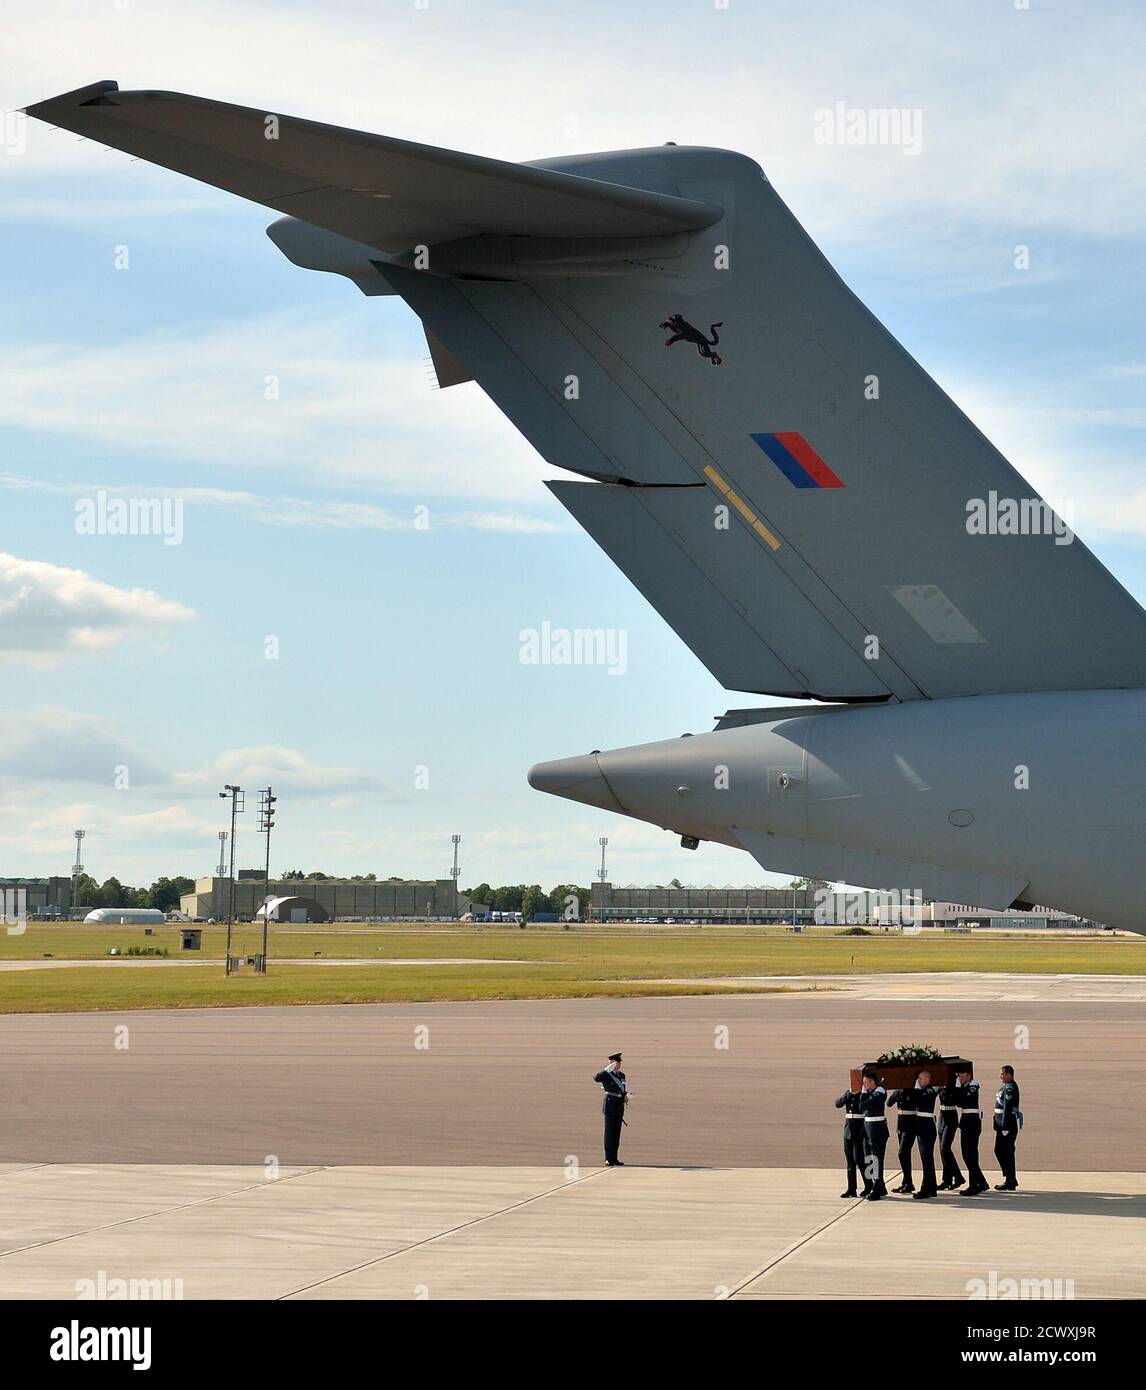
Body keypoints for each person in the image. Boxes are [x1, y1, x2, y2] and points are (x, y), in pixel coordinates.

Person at [955, 1065, 989, 1196]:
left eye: (963, 1077)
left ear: (969, 1076)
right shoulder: (964, 1087)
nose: (961, 1079)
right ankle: (981, 1181)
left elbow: (963, 1100)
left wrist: (958, 1088)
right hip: (965, 1121)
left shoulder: (974, 1086)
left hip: (972, 1122)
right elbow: (958, 1102)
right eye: (959, 1077)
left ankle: (974, 1185)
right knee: (966, 1154)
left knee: (971, 1155)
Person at [593, 1052, 629, 1166]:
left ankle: (615, 1158)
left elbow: (622, 1089)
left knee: (616, 1133)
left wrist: (627, 1095)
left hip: (619, 1106)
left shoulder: (622, 1075)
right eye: (617, 1063)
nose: (619, 1065)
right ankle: (608, 1158)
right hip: (610, 1105)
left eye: (619, 1063)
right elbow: (596, 1078)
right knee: (609, 1133)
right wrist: (606, 1069)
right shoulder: (606, 1075)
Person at [834, 1083, 870, 1198]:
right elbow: (838, 1103)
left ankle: (869, 1185)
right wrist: (850, 1093)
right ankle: (851, 1188)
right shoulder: (849, 1093)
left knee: (859, 1159)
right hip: (848, 1131)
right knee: (850, 1161)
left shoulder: (864, 1095)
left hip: (859, 1130)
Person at [859, 1068, 888, 1199]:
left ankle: (876, 1188)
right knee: (868, 1158)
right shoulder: (871, 1092)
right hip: (867, 1130)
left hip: (877, 1130)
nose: (864, 1085)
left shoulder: (880, 1092)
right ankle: (876, 1186)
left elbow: (863, 1106)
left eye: (865, 1082)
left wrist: (864, 1094)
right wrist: (865, 1093)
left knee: (876, 1159)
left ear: (872, 1082)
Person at [910, 1070, 939, 1200]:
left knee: (927, 1159)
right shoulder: (926, 1090)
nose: (919, 1081)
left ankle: (925, 1189)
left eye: (920, 1079)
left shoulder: (930, 1090)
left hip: (926, 1127)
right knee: (927, 1159)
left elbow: (919, 1100)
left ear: (927, 1079)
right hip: (922, 1126)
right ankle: (931, 1188)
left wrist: (916, 1089)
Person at [993, 1065, 1022, 1191]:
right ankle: (1010, 1178)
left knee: (1004, 1151)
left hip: (1007, 1126)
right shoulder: (1005, 1087)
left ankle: (1010, 1179)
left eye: (1003, 1074)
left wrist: (1004, 1126)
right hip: (1002, 1125)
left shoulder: (1010, 1088)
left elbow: (1007, 1108)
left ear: (1010, 1075)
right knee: (1002, 1151)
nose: (1001, 1076)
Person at [887, 1081, 918, 1193]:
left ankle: (908, 1182)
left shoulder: (914, 1091)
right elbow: (889, 1103)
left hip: (910, 1125)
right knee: (905, 1154)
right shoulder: (899, 1091)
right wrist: (897, 1091)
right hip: (900, 1124)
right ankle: (906, 1182)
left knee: (902, 1153)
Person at [937, 1072, 965, 1191]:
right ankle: (947, 1180)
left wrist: (957, 1087)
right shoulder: (940, 1085)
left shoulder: (954, 1085)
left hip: (951, 1117)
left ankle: (958, 1176)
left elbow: (959, 1102)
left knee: (945, 1148)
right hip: (941, 1116)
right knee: (942, 1150)